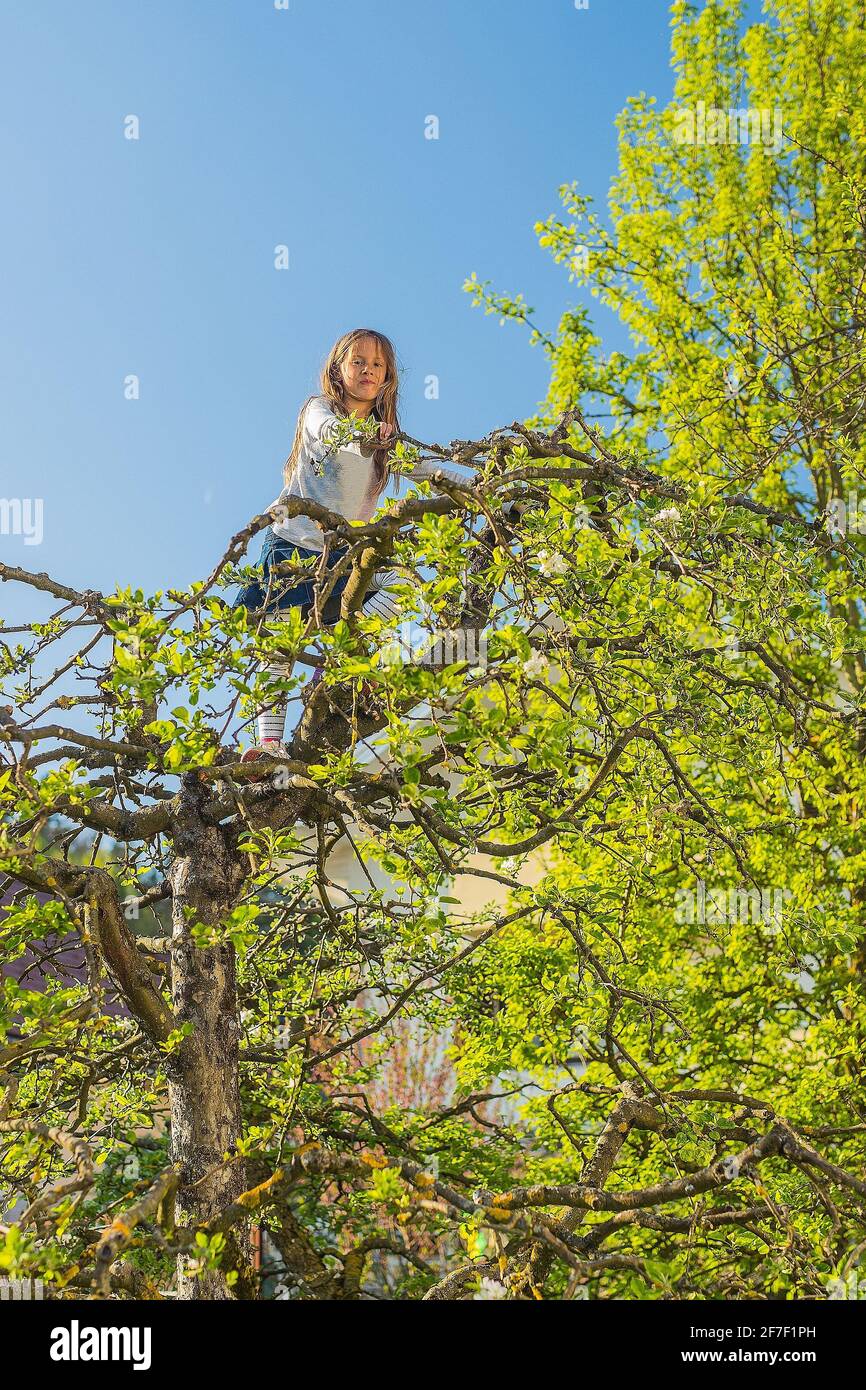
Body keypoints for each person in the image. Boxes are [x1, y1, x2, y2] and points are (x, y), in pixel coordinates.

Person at [232, 328, 474, 764]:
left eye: (377, 365)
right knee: (279, 648)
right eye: (358, 361)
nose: (367, 370)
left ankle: (336, 662)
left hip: (344, 556)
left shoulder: (388, 442)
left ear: (387, 379)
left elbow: (435, 474)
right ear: (338, 370)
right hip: (293, 546)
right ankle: (269, 745)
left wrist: (489, 489)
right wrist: (360, 439)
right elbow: (326, 432)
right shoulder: (318, 410)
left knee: (401, 580)